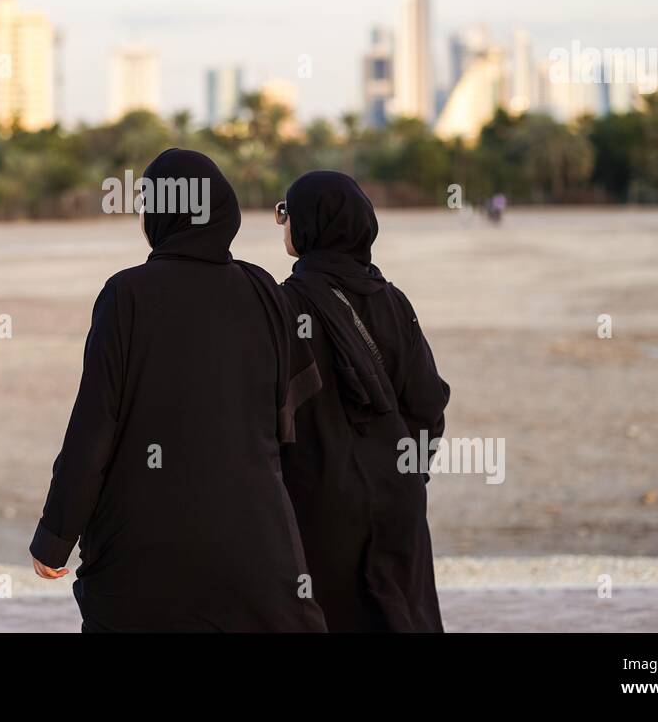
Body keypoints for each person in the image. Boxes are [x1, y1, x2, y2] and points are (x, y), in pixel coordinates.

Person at [30, 148, 327, 632]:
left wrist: (55, 535)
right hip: (254, 545)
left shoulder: (127, 295)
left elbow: (93, 427)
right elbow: (293, 409)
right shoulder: (264, 290)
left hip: (143, 552)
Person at [275, 170, 450, 632]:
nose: (282, 223)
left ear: (310, 222)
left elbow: (265, 415)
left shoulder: (284, 308)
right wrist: (405, 473)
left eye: (285, 212)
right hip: (399, 499)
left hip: (319, 506)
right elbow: (429, 405)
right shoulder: (394, 302)